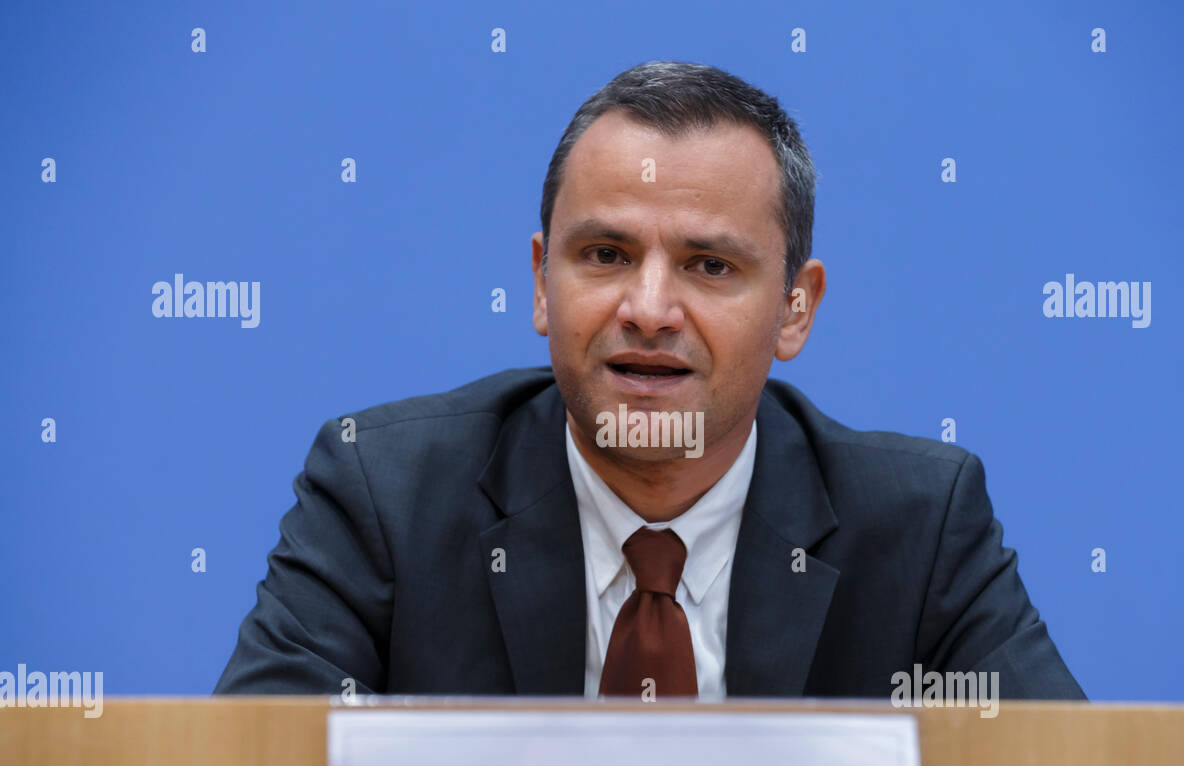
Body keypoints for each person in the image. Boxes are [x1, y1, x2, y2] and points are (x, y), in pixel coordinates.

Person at [214, 60, 1085, 702]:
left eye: (709, 265)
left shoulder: (921, 527)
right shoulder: (383, 496)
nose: (649, 307)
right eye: (606, 255)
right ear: (540, 284)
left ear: (794, 308)